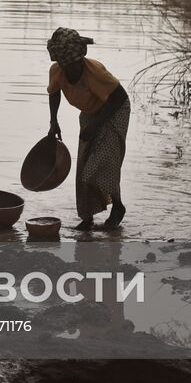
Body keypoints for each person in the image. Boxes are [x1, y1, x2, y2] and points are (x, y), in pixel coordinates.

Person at [46, 28, 129, 231]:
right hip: (90, 112)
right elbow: (54, 92)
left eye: (77, 63)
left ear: (81, 57)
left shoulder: (95, 72)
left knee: (101, 163)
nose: (75, 68)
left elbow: (119, 97)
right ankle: (87, 216)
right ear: (62, 63)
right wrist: (53, 121)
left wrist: (95, 124)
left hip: (114, 110)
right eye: (69, 65)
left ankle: (118, 207)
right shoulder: (57, 71)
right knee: (83, 164)